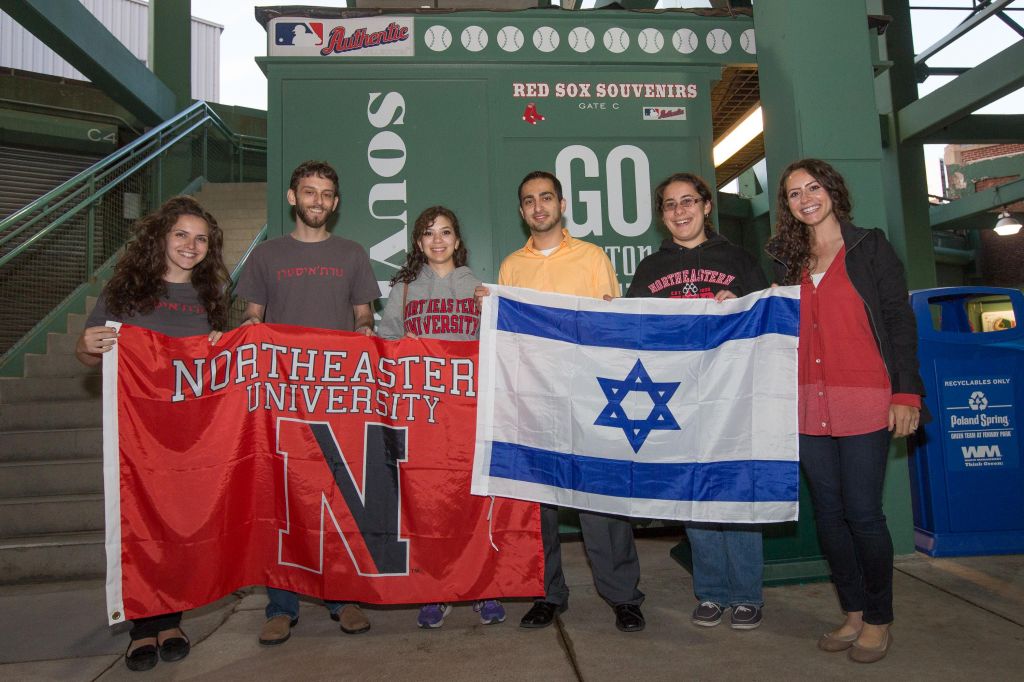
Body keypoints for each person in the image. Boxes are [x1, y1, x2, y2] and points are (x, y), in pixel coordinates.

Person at [765, 158, 924, 664]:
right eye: (793, 193)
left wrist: (906, 394)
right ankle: (852, 612)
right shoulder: (788, 260)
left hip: (864, 398)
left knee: (863, 514)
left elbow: (899, 321)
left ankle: (879, 618)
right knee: (829, 517)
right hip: (807, 402)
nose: (805, 198)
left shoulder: (868, 245)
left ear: (832, 190)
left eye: (813, 187)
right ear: (786, 205)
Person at [476, 171, 646, 633]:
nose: (538, 207)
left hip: (590, 397)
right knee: (539, 506)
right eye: (529, 200)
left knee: (601, 502)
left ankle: (623, 596)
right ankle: (547, 593)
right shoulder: (511, 267)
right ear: (521, 210)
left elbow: (611, 326)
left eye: (546, 198)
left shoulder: (592, 257)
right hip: (534, 401)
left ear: (562, 203)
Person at [75, 195, 230, 672]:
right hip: (137, 434)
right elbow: (88, 355)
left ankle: (172, 619)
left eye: (201, 238)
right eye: (181, 235)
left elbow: (222, 366)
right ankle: (143, 626)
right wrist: (86, 346)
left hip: (190, 435)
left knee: (181, 524)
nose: (191, 245)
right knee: (139, 523)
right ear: (161, 237)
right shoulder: (124, 292)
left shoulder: (211, 298)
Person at [235, 160, 381, 645]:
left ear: (335, 204)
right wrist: (248, 333)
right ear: (293, 197)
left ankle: (345, 597)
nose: (317, 200)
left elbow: (364, 316)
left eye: (326, 194)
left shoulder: (354, 254)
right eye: (308, 192)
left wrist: (365, 333)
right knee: (282, 502)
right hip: (279, 401)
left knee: (338, 499)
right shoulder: (266, 256)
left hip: (339, 400)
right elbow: (253, 319)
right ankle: (281, 605)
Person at [625, 172, 769, 631]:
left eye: (688, 201)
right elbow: (632, 335)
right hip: (679, 401)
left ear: (707, 206)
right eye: (669, 204)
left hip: (733, 397)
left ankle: (746, 595)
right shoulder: (650, 269)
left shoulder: (741, 260)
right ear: (661, 215)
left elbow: (769, 322)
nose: (680, 211)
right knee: (696, 495)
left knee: (736, 493)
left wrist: (740, 301)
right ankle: (710, 591)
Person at [378, 205, 504, 629]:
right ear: (418, 242)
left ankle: (483, 589)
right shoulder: (405, 290)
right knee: (429, 503)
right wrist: (404, 345)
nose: (437, 240)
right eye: (429, 233)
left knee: (474, 500)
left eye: (445, 232)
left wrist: (494, 305)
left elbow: (500, 340)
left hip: (470, 412)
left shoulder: (478, 287)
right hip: (424, 414)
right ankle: (434, 588)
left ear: (457, 240)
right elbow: (385, 343)